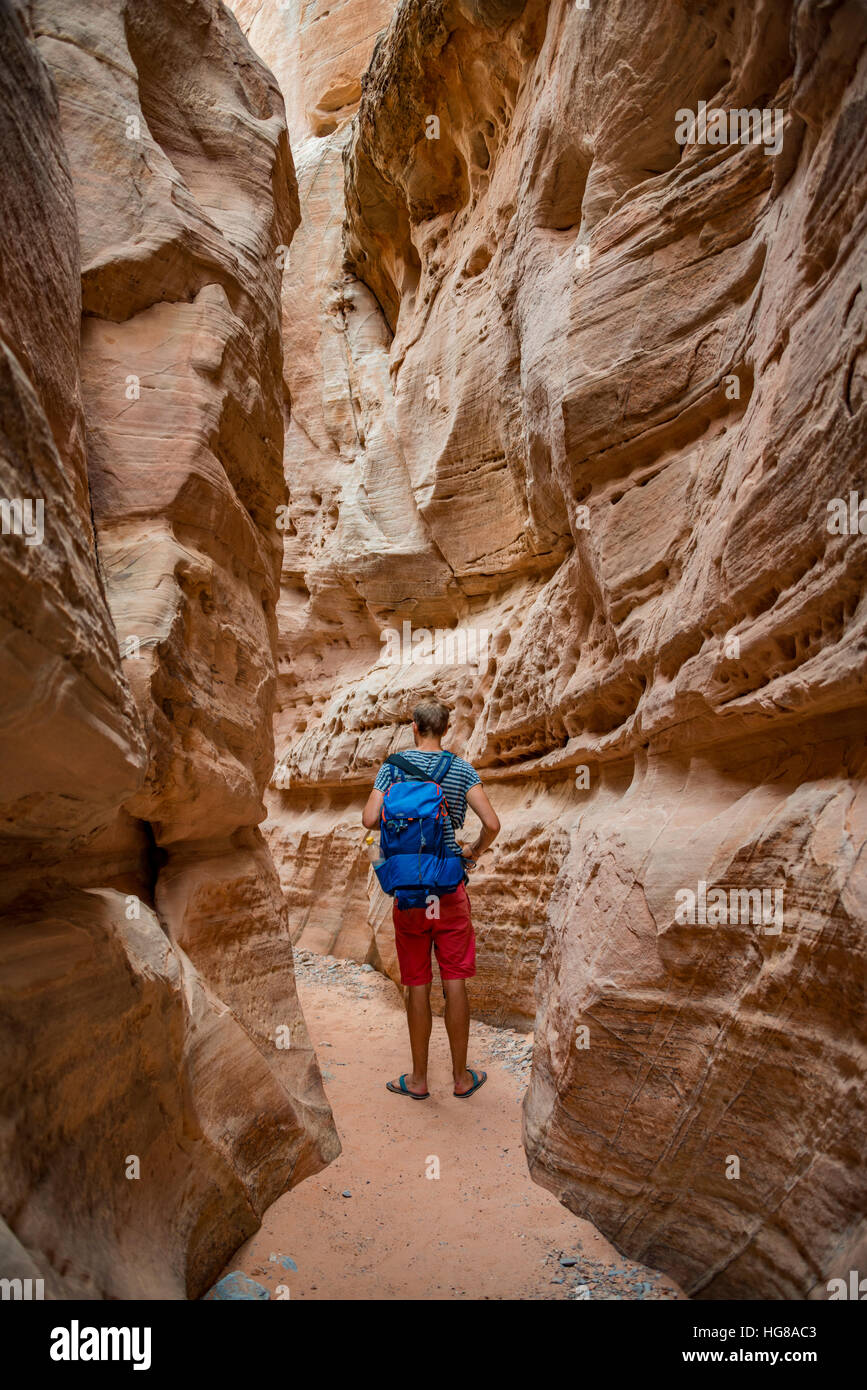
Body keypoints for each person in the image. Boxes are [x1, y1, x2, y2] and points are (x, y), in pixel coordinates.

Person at [361, 699, 500, 1099]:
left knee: (417, 983)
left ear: (414, 727)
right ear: (446, 728)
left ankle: (419, 1080)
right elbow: (492, 824)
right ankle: (460, 1078)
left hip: (409, 897)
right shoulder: (460, 769)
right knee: (454, 981)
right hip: (448, 891)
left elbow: (369, 821)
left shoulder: (392, 768)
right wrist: (472, 850)